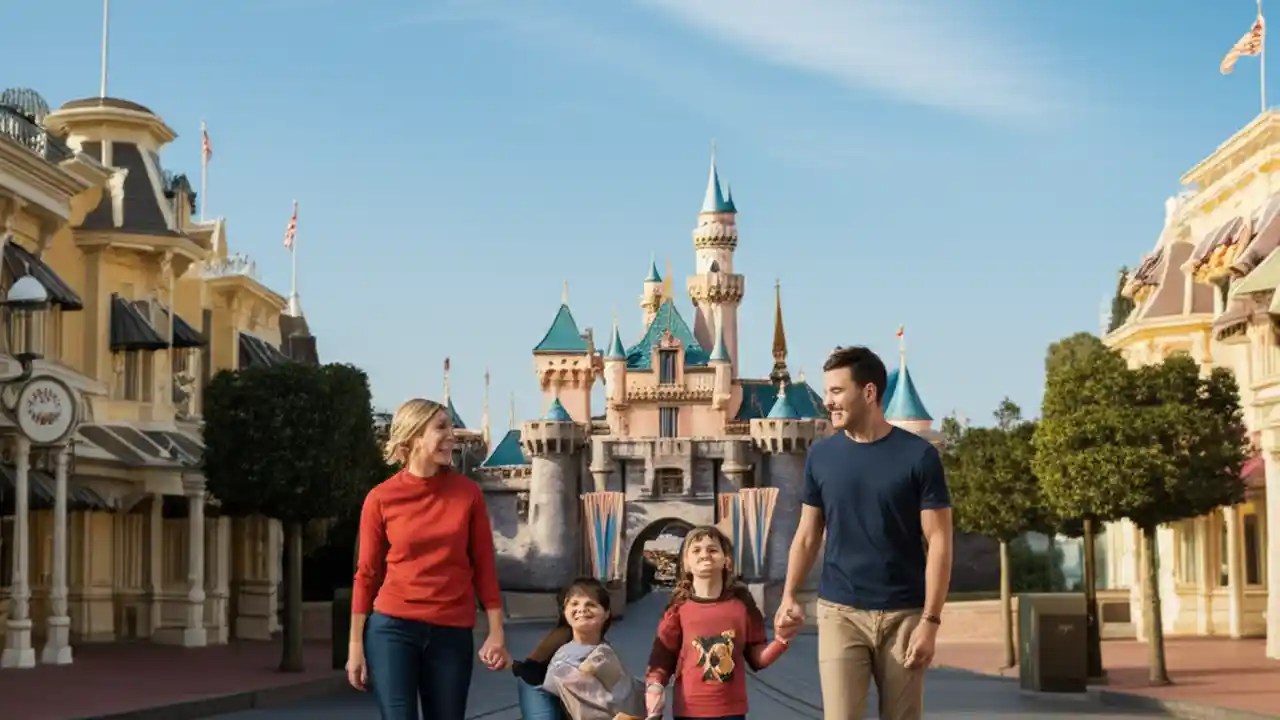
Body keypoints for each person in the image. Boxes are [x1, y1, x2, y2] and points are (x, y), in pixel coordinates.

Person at [773, 346, 953, 720]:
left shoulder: (919, 457)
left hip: (904, 614)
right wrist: (789, 595)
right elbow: (808, 534)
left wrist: (930, 622)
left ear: (868, 393)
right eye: (827, 392)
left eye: (837, 391)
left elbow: (938, 541)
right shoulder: (821, 457)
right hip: (841, 612)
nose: (828, 402)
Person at [345, 398, 511, 720]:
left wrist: (496, 632)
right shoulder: (380, 498)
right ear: (414, 436)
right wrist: (355, 646)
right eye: (441, 428)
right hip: (392, 628)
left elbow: (484, 566)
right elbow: (366, 574)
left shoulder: (468, 494)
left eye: (450, 427)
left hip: (451, 632)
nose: (452, 436)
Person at [645, 525, 793, 720]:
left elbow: (758, 657)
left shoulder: (742, 607)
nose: (705, 554)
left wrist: (781, 640)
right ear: (686, 563)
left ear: (727, 560)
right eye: (696, 550)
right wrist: (655, 686)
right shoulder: (678, 610)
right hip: (689, 711)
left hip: (731, 712)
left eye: (712, 549)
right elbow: (662, 658)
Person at [533, 577, 647, 720]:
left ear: (606, 613)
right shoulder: (563, 661)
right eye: (574, 603)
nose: (581, 609)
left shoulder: (607, 651)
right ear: (565, 612)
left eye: (591, 604)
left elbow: (629, 697)